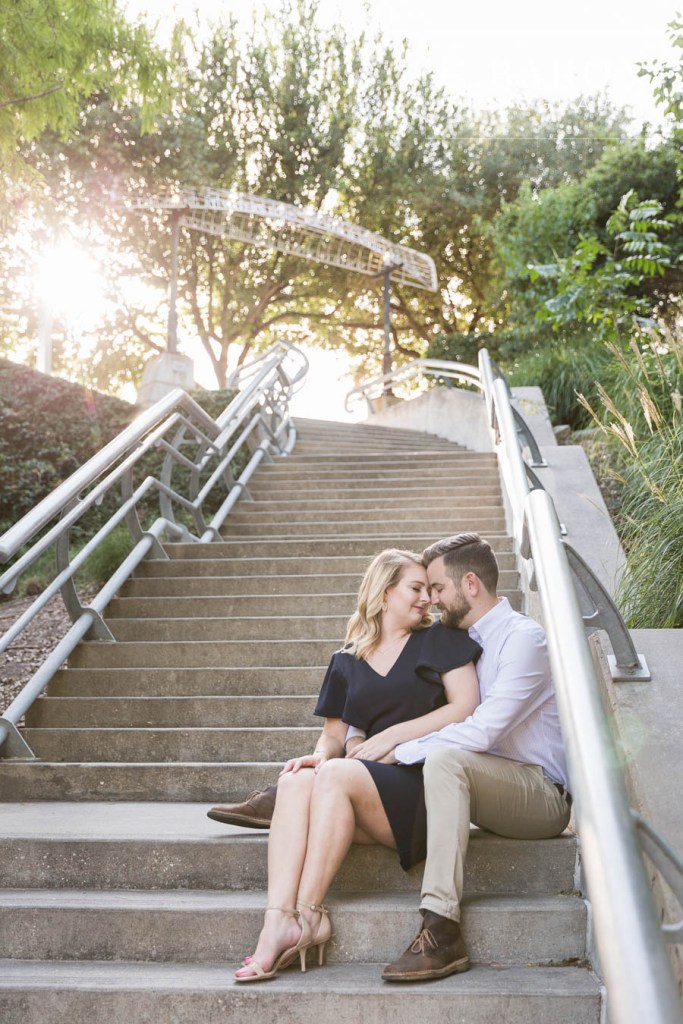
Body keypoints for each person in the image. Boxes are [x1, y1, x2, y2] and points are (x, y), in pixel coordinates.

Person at [233, 547, 481, 982]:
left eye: (429, 589)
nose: (427, 598)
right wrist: (318, 756)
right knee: (294, 781)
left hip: (421, 789)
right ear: (385, 592)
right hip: (359, 791)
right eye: (416, 588)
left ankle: (309, 915)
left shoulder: (439, 640)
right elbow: (334, 735)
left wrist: (392, 736)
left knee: (335, 773)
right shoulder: (348, 659)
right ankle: (278, 920)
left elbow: (466, 705)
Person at [379, 532, 571, 981]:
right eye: (424, 591)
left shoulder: (524, 639)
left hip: (541, 795)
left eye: (438, 589)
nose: (432, 600)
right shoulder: (461, 645)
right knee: (435, 761)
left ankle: (441, 928)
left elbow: (485, 731)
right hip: (487, 782)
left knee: (443, 759)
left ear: (470, 584)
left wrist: (400, 751)